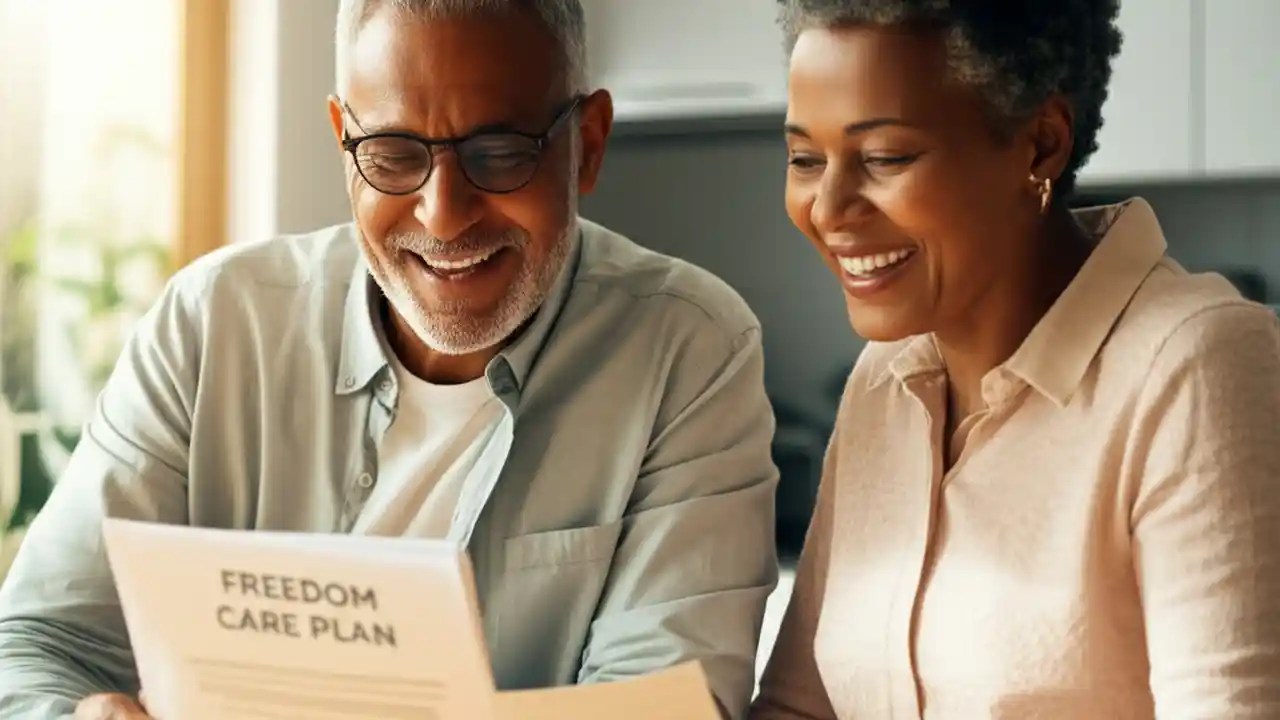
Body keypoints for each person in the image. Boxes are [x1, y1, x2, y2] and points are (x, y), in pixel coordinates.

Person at [0, 1, 779, 718]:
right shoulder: (211, 325)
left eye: (499, 153)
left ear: (588, 145)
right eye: (394, 154)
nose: (443, 215)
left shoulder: (688, 348)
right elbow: (39, 643)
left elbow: (662, 704)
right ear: (343, 139)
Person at [752, 1, 1280, 718]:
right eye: (806, 160)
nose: (828, 207)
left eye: (885, 157)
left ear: (1040, 144)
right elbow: (800, 708)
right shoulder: (886, 379)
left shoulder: (1195, 364)